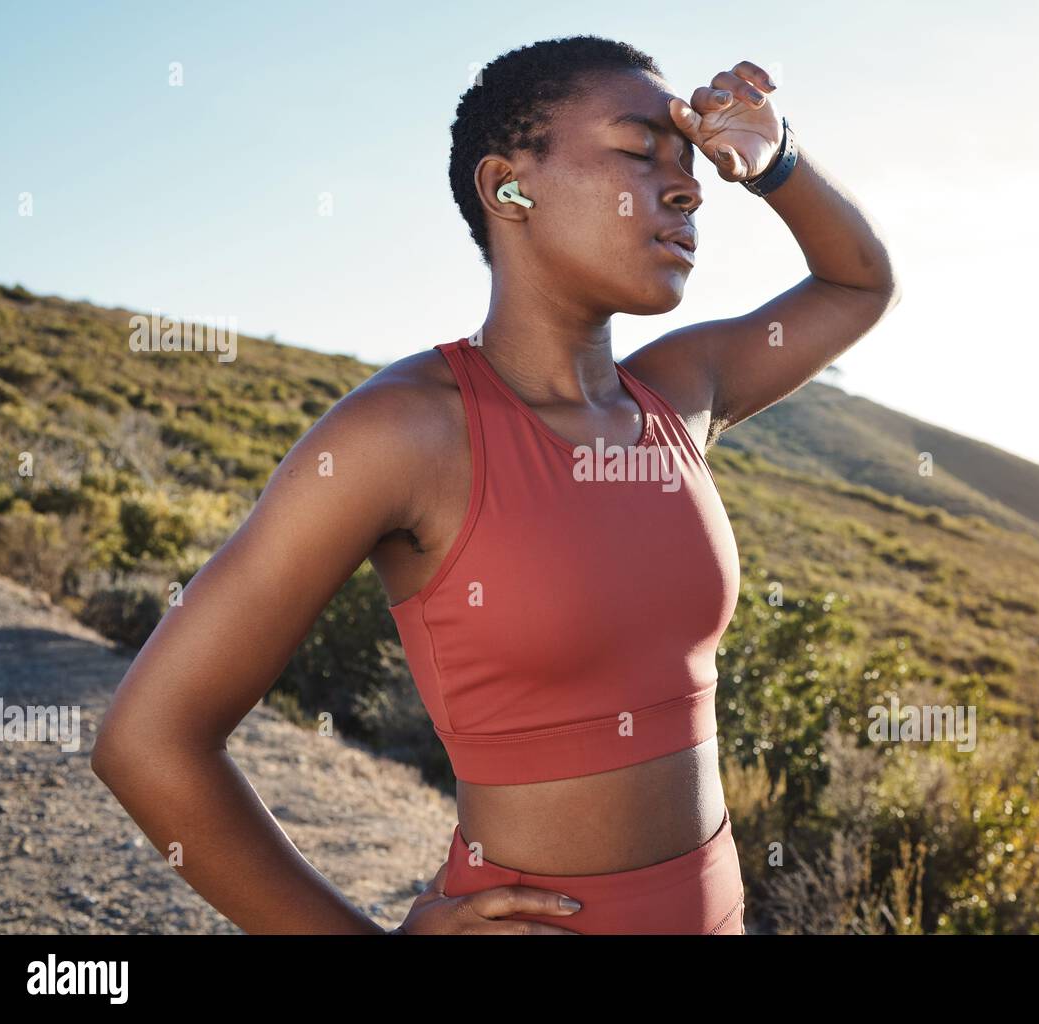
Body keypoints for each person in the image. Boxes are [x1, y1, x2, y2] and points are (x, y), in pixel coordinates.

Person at [91, 34, 899, 935]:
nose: (688, 187)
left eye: (692, 164)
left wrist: (777, 159)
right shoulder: (404, 432)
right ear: (507, 187)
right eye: (640, 151)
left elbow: (859, 284)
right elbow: (148, 742)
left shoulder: (681, 392)